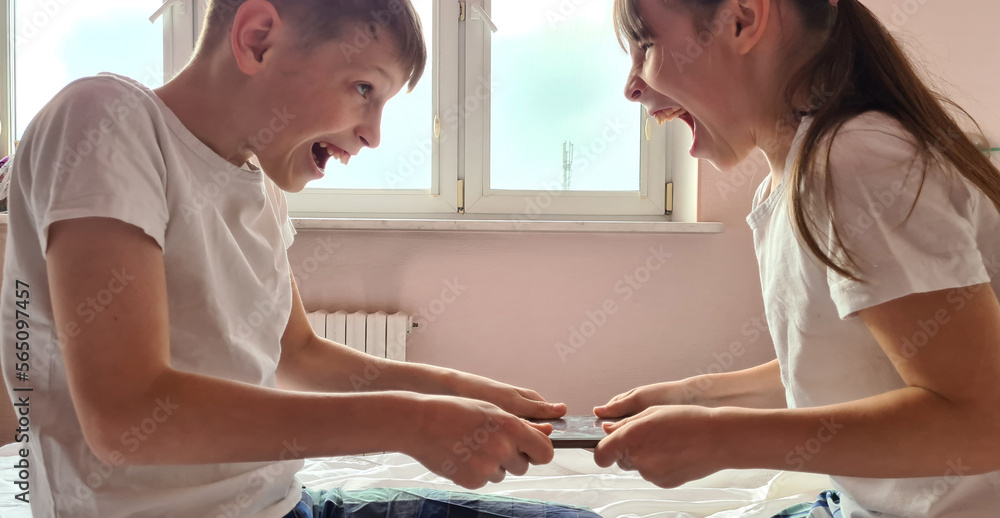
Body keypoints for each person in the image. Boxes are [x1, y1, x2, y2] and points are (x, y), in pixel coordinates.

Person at [0, 1, 603, 517]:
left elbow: (300, 353)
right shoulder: (104, 119)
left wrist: (460, 392)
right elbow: (125, 416)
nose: (373, 135)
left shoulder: (260, 185)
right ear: (257, 39)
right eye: (364, 89)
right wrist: (412, 422)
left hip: (287, 504)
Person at [593, 0, 1000, 516]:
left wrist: (723, 439)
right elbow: (856, 365)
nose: (631, 87)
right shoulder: (794, 175)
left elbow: (983, 422)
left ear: (742, 19)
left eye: (646, 45)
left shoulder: (856, 160)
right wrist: (698, 396)